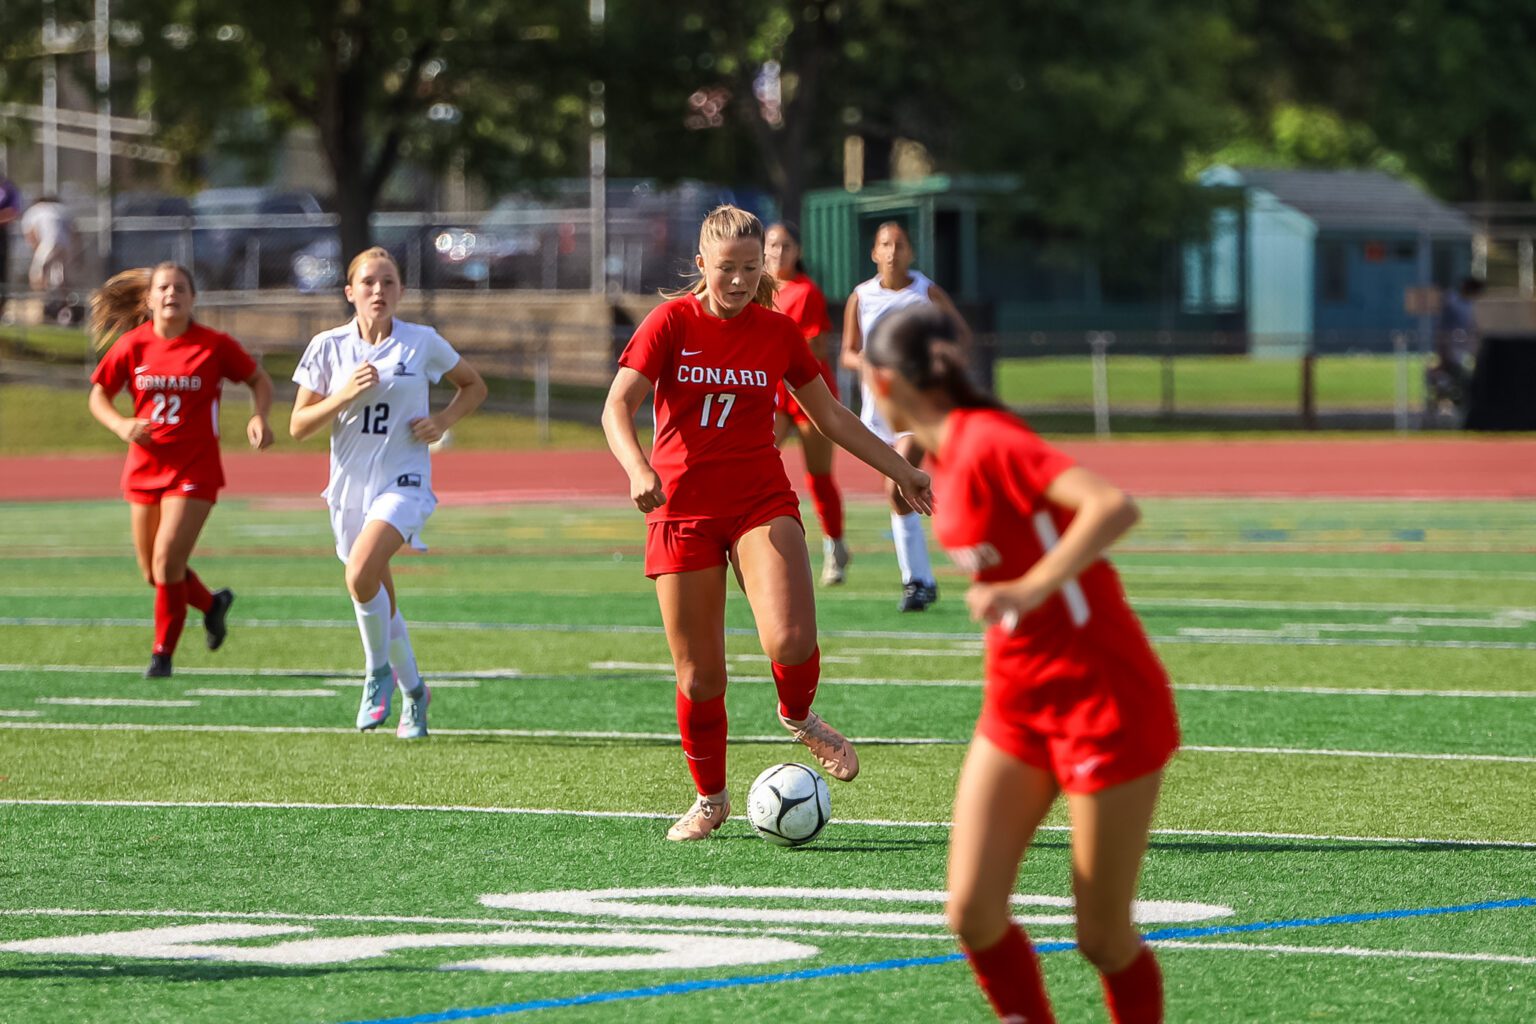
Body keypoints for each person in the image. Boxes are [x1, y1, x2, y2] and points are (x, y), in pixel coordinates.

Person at [863, 305, 1179, 1023]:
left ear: (882, 381)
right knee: (971, 912)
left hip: (1102, 701)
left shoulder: (990, 441)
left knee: (1101, 939)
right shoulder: (941, 444)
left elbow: (1111, 506)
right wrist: (909, 452)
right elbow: (932, 449)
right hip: (1017, 703)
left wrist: (1030, 586)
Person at [602, 204, 933, 841]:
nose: (738, 281)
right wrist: (638, 469)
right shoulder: (670, 321)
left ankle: (800, 716)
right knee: (700, 676)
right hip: (682, 511)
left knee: (788, 640)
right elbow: (617, 406)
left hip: (760, 501)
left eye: (750, 269)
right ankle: (711, 798)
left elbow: (832, 417)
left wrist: (900, 468)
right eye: (726, 269)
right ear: (702, 265)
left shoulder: (778, 332)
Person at [290, 247, 487, 739]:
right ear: (350, 292)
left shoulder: (421, 342)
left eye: (389, 282)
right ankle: (416, 692)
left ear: (400, 290)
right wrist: (343, 396)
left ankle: (377, 672)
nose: (379, 291)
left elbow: (473, 386)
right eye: (369, 282)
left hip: (404, 483)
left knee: (360, 574)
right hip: (348, 490)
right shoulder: (327, 347)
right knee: (377, 594)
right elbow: (298, 426)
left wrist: (442, 421)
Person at [87, 263, 275, 678]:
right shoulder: (132, 346)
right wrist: (121, 424)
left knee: (168, 560)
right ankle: (212, 604)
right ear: (149, 299)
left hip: (195, 469)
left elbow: (259, 380)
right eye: (164, 288)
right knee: (152, 571)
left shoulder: (213, 345)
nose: (172, 294)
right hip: (144, 468)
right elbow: (98, 395)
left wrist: (258, 417)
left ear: (193, 298)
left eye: (181, 288)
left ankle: (162, 655)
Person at [840, 220, 972, 612]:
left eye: (899, 244)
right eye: (885, 244)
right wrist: (867, 364)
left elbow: (960, 335)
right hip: (879, 408)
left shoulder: (925, 291)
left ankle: (916, 581)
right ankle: (921, 580)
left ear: (911, 252)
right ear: (874, 253)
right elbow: (848, 351)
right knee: (899, 496)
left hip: (918, 406)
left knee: (896, 484)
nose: (893, 251)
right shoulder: (862, 296)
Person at [764, 222, 849, 586]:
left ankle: (835, 548)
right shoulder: (753, 289)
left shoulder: (806, 292)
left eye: (786, 246)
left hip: (807, 391)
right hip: (772, 391)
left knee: (818, 475)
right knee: (759, 460)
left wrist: (777, 350)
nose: (778, 253)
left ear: (797, 252)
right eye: (772, 245)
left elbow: (814, 350)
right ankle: (757, 542)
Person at [21, 195, 73, 295]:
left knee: (36, 274)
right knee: (59, 277)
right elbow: (74, 232)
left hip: (48, 243)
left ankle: (41, 300)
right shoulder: (61, 209)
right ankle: (62, 302)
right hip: (65, 246)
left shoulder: (34, 211)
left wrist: (37, 250)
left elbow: (31, 234)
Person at [0, 169, 20, 321]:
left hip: (2, 236)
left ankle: (1, 310)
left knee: (2, 274)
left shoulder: (7, 189)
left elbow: (13, 211)